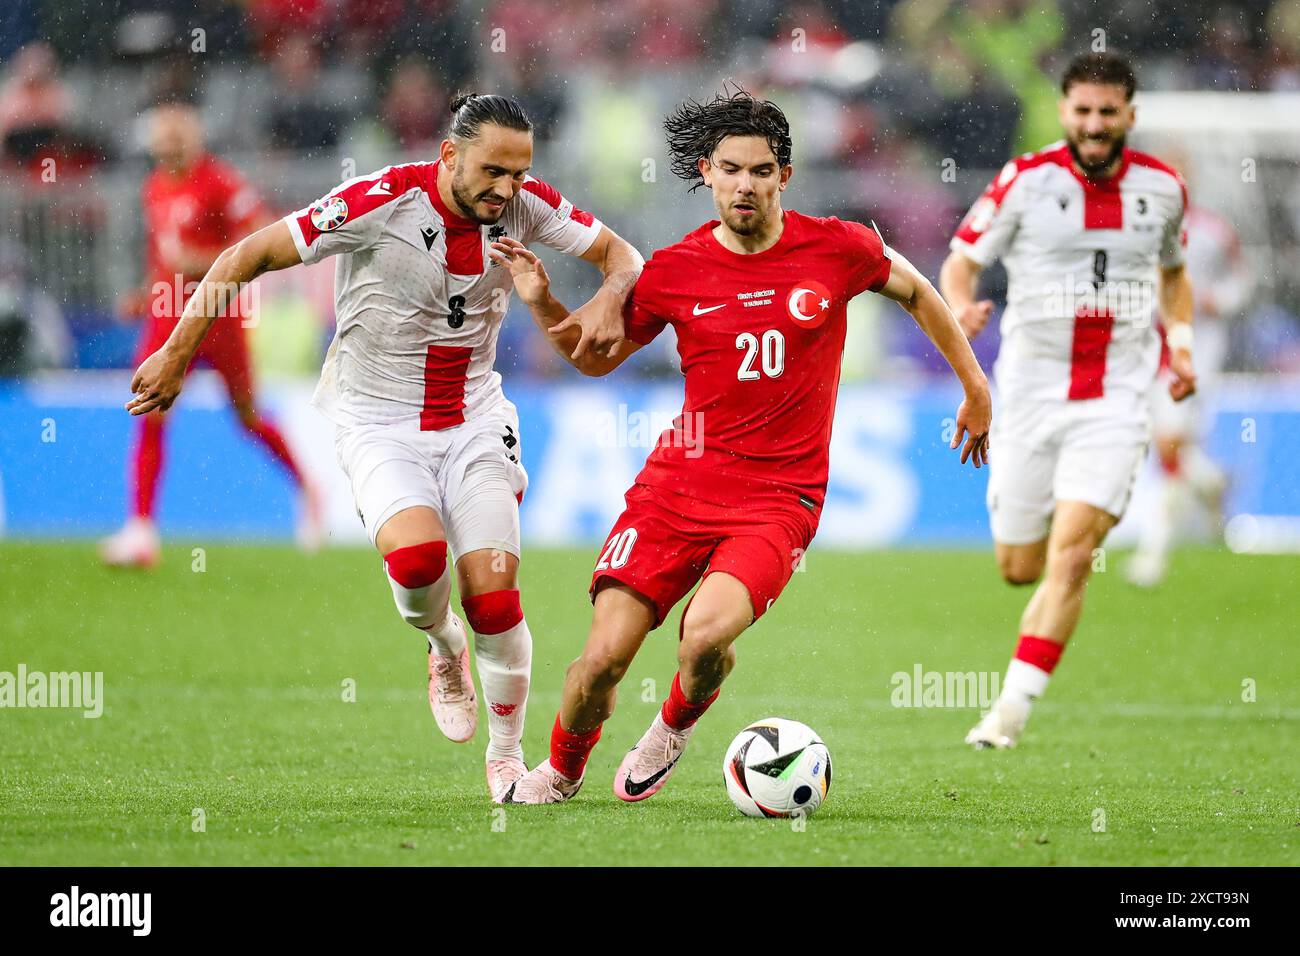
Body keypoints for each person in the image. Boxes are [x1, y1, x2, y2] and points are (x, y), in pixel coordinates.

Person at [125, 93, 644, 801]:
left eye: (520, 173)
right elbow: (248, 253)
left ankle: (506, 755)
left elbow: (624, 254)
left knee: (493, 595)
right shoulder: (379, 201)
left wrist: (612, 294)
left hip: (474, 414)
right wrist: (178, 354)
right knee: (419, 563)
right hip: (377, 418)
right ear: (449, 156)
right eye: (493, 171)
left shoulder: (527, 205)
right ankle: (443, 648)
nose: (508, 190)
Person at [493, 88, 990, 804]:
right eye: (731, 169)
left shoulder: (839, 248)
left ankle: (671, 726)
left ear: (784, 176)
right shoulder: (674, 270)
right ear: (708, 173)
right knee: (601, 660)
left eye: (761, 171)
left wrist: (974, 389)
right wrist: (542, 300)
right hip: (675, 489)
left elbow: (916, 292)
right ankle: (562, 771)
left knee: (703, 640)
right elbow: (593, 360)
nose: (746, 184)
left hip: (777, 502)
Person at [938, 52, 1196, 749]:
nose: (1094, 123)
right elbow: (960, 259)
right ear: (1063, 111)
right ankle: (1063, 522)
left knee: (1073, 555)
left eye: (1107, 111)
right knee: (1019, 568)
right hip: (1028, 396)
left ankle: (1007, 715)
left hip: (1116, 395)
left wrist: (1184, 345)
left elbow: (1174, 275)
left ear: (1129, 116)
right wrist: (959, 304)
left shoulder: (1164, 189)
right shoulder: (1025, 181)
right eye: (1082, 110)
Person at [101, 101, 318, 569]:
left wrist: (200, 262)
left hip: (218, 317)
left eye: (178, 134)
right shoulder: (154, 187)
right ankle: (140, 530)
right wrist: (144, 296)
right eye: (162, 136)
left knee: (247, 416)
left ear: (195, 136)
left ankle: (308, 490)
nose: (170, 143)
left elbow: (262, 234)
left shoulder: (219, 182)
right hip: (166, 319)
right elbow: (164, 260)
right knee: (150, 412)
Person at [1126, 200, 1250, 587]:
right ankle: (1210, 483)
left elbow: (1243, 278)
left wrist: (1220, 300)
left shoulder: (1213, 229)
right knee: (1169, 449)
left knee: (1169, 449)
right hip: (1149, 356)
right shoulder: (1138, 230)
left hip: (1197, 357)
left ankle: (1153, 555)